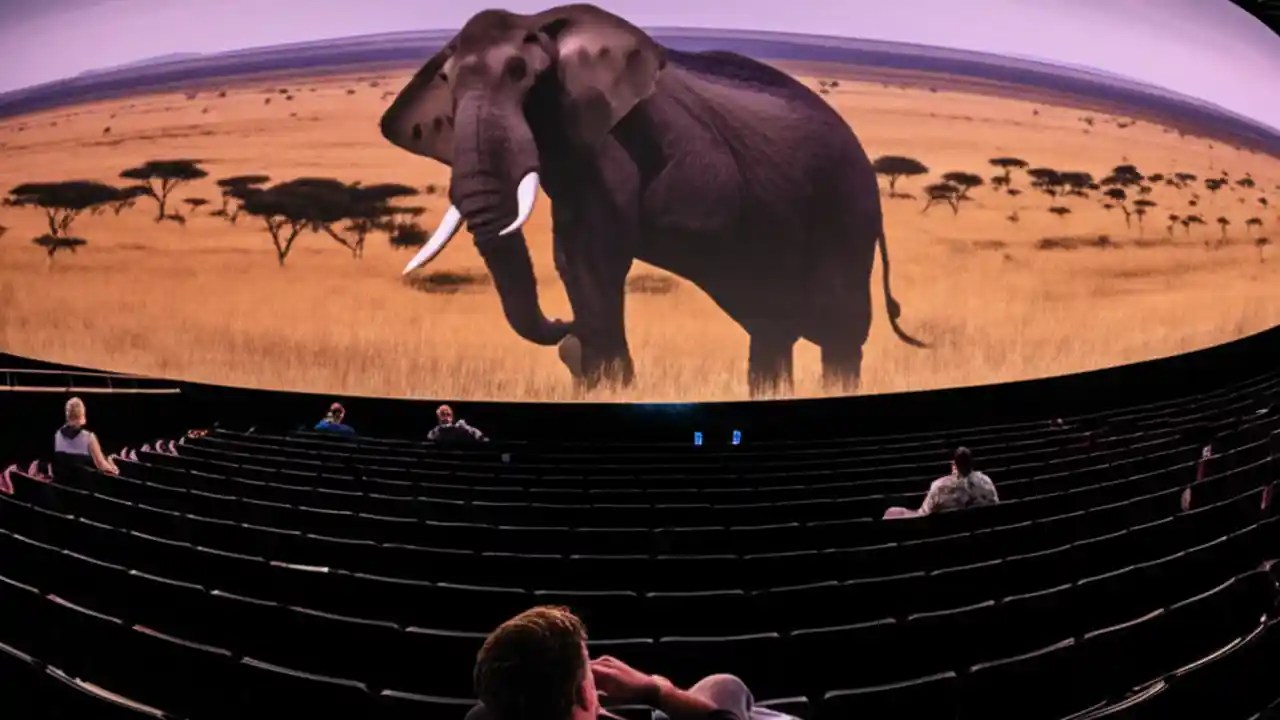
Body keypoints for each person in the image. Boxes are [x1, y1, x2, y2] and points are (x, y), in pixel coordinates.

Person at [467, 606, 793, 720]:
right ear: (582, 694)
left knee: (724, 686)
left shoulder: (487, 713)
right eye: (589, 671)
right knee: (727, 686)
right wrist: (656, 689)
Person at [883, 446, 998, 519]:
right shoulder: (986, 481)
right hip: (979, 532)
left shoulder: (940, 486)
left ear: (954, 465)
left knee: (891, 512)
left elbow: (923, 515)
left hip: (943, 535)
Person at [54, 397, 119, 475]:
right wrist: (113, 466)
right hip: (86, 483)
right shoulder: (89, 437)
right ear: (82, 412)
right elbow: (101, 465)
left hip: (64, 482)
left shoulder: (58, 435)